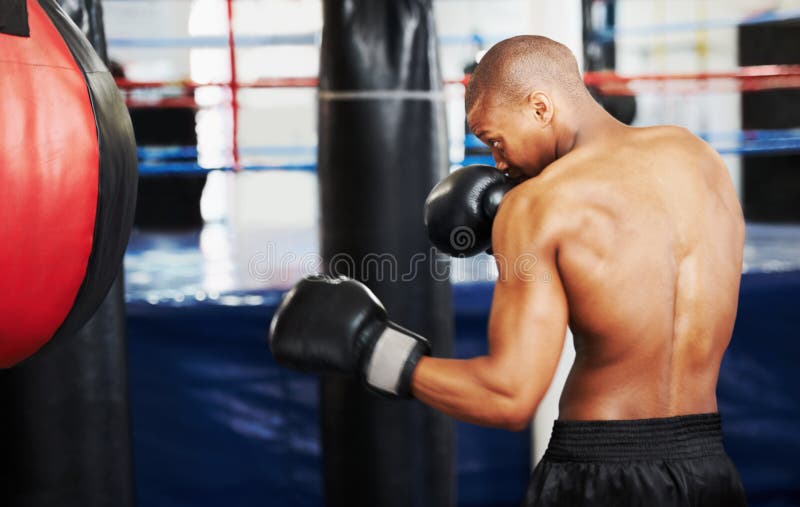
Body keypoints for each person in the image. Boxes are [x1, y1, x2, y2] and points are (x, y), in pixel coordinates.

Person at [270, 35, 747, 506]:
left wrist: (371, 349)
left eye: (495, 140)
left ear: (541, 107)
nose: (497, 163)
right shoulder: (702, 161)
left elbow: (508, 396)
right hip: (709, 468)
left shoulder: (538, 206)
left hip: (602, 477)